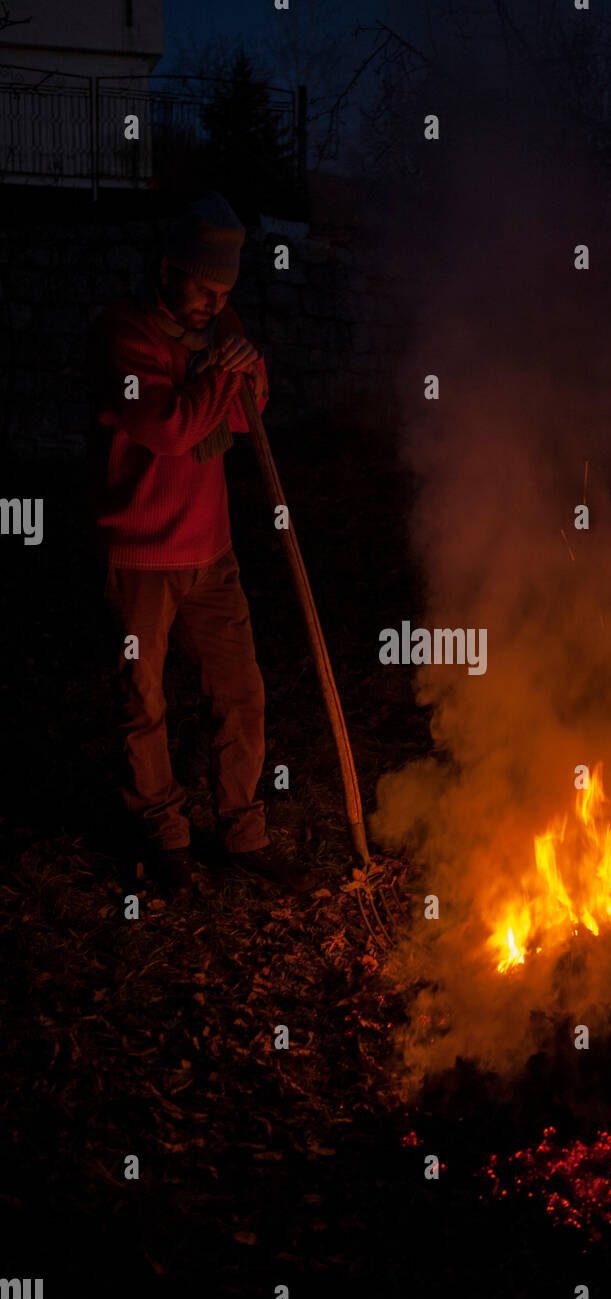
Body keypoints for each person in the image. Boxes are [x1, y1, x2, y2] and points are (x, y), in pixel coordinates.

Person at [88, 192, 307, 898]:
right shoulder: (124, 336)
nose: (213, 304)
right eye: (202, 287)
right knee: (142, 702)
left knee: (242, 694)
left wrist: (250, 369)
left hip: (212, 555)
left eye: (224, 293)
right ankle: (165, 835)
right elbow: (171, 429)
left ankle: (243, 832)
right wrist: (222, 373)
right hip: (140, 558)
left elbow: (251, 412)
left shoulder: (223, 326)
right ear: (166, 269)